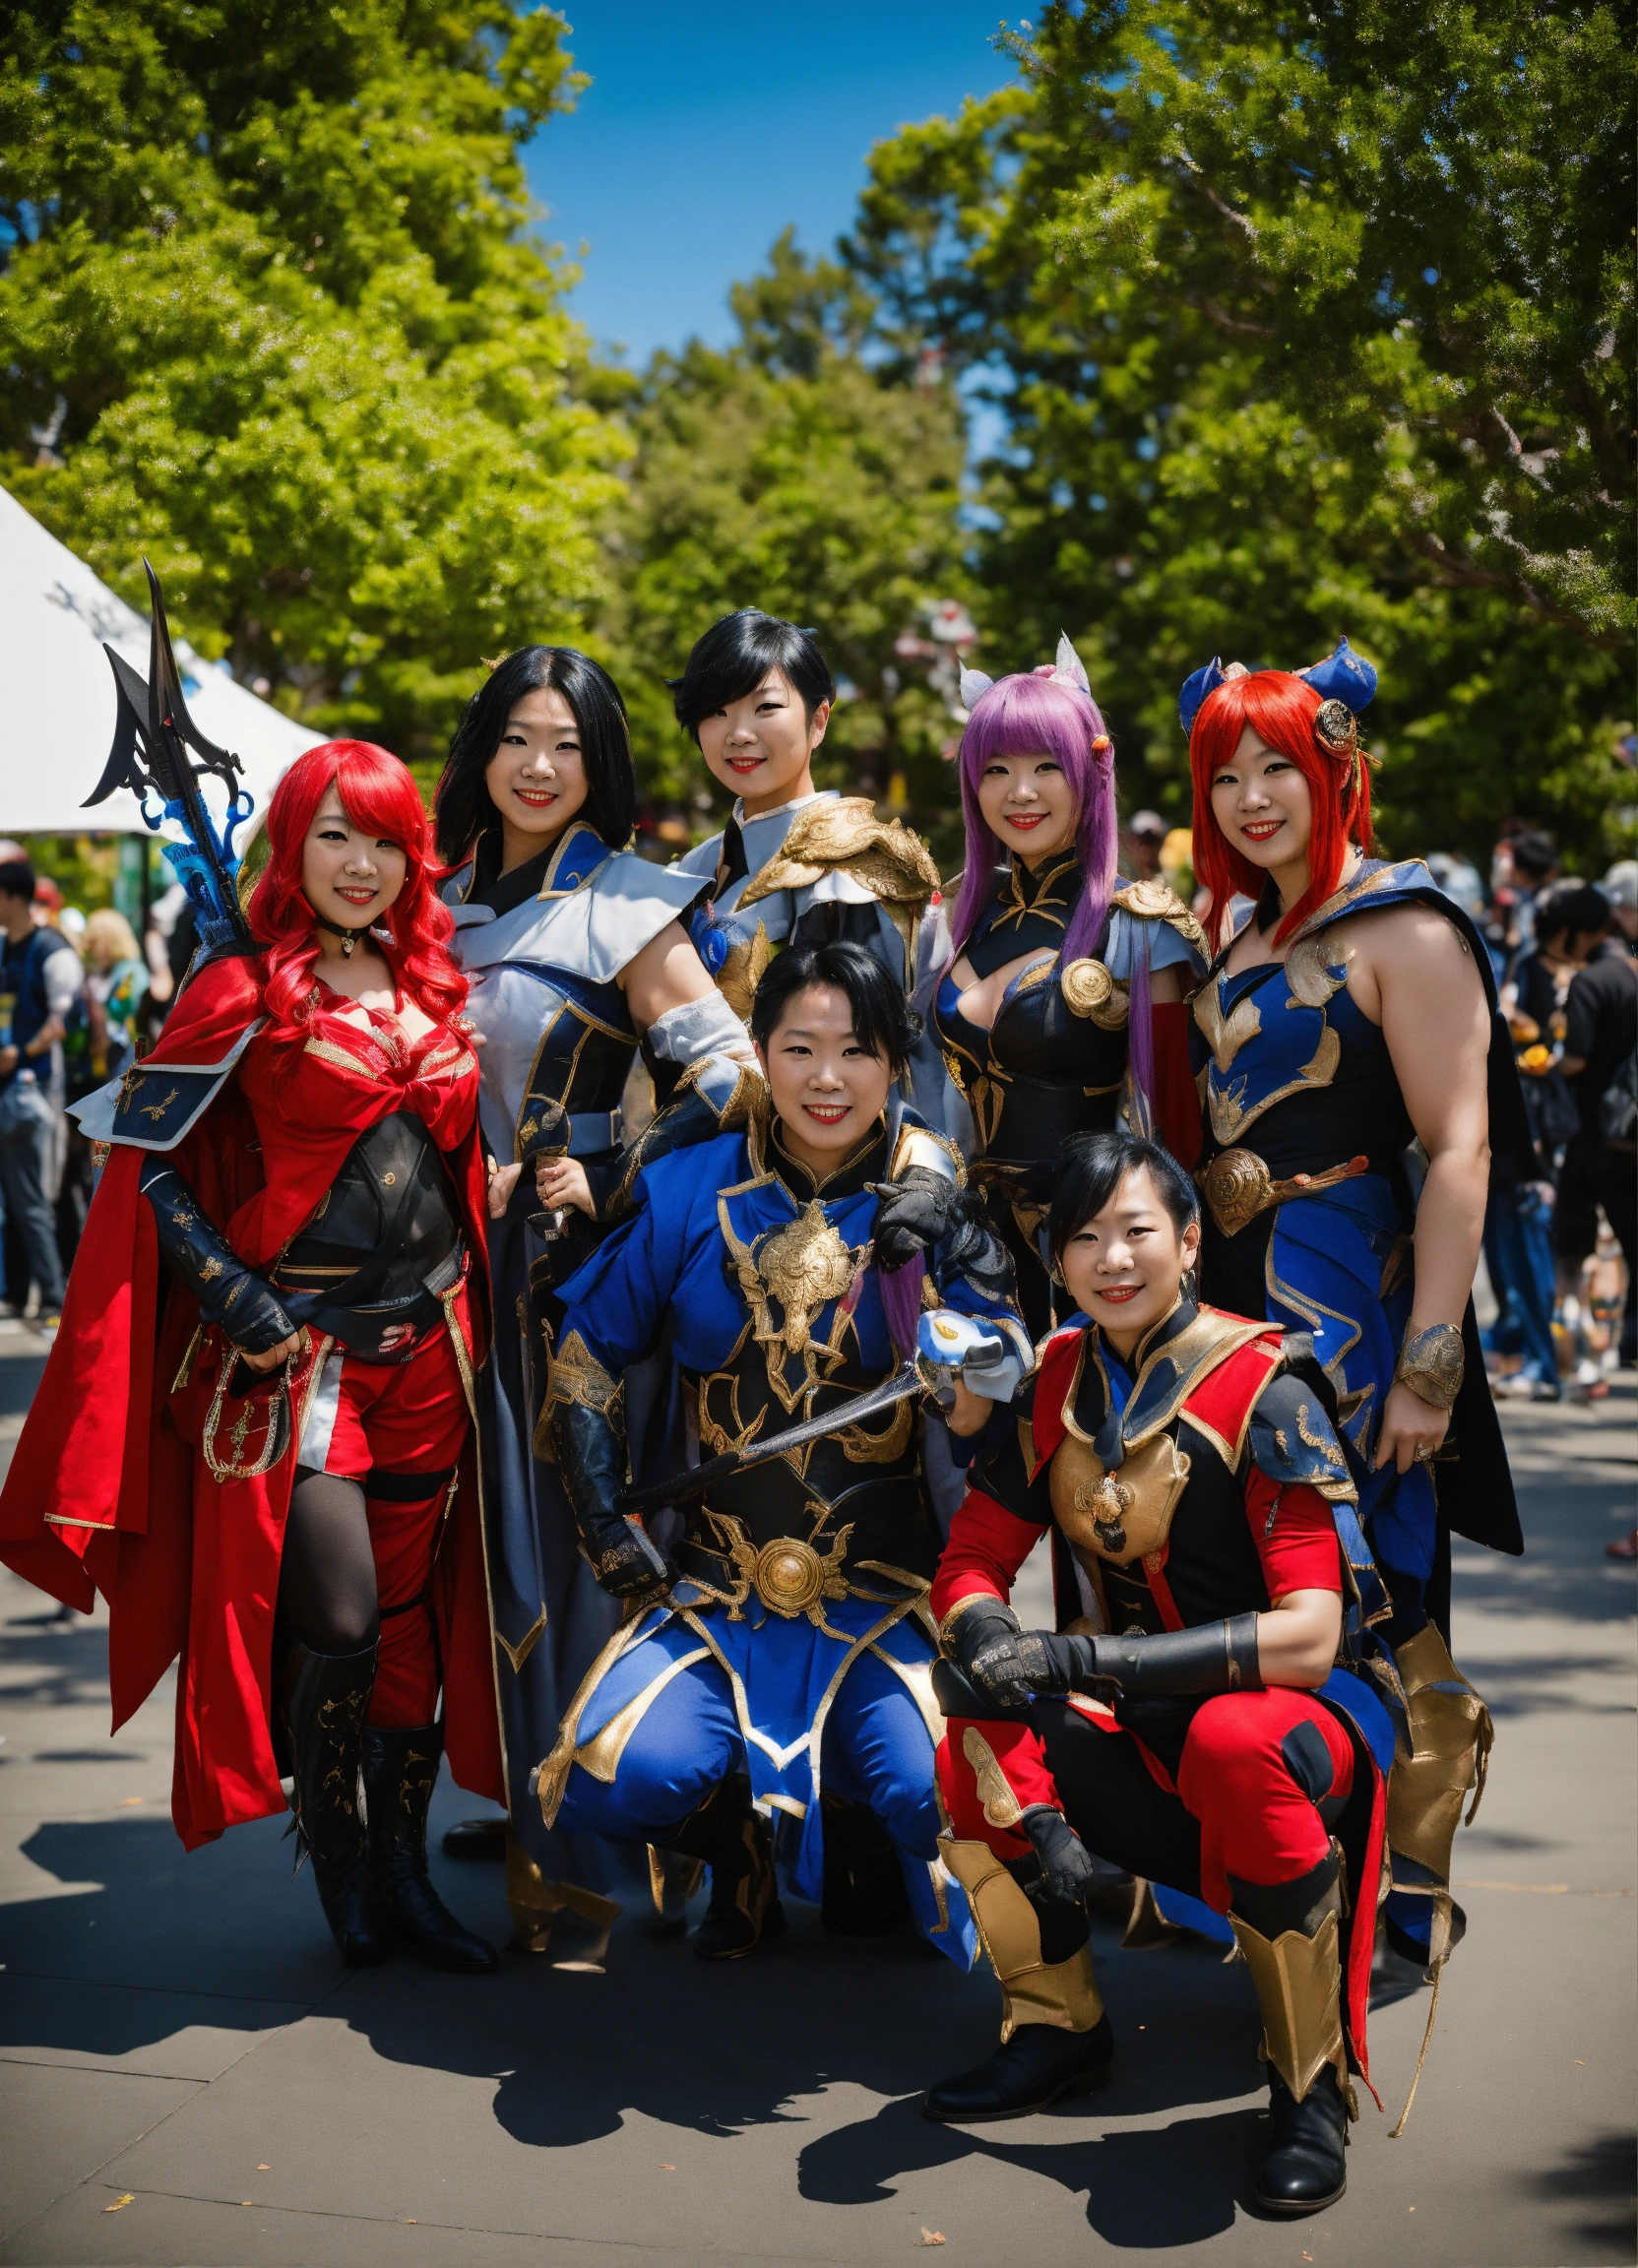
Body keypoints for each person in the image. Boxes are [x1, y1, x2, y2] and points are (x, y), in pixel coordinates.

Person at [0, 742, 505, 1974]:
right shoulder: (239, 986)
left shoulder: (430, 979)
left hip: (434, 1343)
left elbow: (455, 1164)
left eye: (385, 840)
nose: (361, 862)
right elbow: (148, 1167)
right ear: (293, 843)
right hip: (304, 1356)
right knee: (334, 1615)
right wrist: (236, 1298)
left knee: (411, 1624)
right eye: (336, 834)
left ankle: (402, 1865)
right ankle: (335, 1854)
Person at [923, 1133, 1402, 2216]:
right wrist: (992, 1636)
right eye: (1083, 1237)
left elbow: (1311, 1637)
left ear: (1187, 1241)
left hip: (1292, 1732)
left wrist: (1077, 1657)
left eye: (1137, 1230)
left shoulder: (1264, 1387)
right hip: (1139, 1727)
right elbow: (969, 1562)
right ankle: (1054, 2027)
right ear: (1055, 1259)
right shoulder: (1054, 1378)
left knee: (1235, 1739)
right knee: (971, 1712)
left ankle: (1308, 2085)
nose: (1112, 1258)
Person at [536, 942, 1034, 1963]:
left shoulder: (931, 1197)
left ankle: (854, 1818)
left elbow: (997, 1399)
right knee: (614, 1776)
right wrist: (599, 1517)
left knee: (941, 1796)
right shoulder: (688, 1187)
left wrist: (970, 1264)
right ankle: (738, 1848)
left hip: (883, 1592)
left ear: (893, 1063)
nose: (825, 1077)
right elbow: (585, 1361)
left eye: (855, 1050)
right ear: (758, 1053)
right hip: (718, 1596)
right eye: (797, 1047)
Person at [1180, 643, 1517, 1979]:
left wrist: (1430, 1363)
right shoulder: (1234, 929)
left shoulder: (1409, 926)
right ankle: (1288, 1857)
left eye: (1281, 768)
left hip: (1364, 1304)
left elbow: (1462, 1149)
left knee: (1393, 1585)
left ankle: (1420, 1873)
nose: (1253, 797)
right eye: (1226, 774)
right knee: (1263, 1580)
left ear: (1339, 775)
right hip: (1235, 1301)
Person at [433, 645, 764, 1939]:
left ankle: (617, 1820)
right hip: (438, 1279)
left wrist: (606, 1175)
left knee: (581, 1546)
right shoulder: (432, 901)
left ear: (600, 765)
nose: (540, 766)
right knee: (477, 1542)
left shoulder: (629, 903)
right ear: (484, 751)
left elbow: (734, 1081)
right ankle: (524, 1792)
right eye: (519, 738)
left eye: (568, 746)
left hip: (572, 1284)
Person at [931, 640, 1207, 1340]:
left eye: (1046, 766)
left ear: (1092, 771)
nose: (1020, 792)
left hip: (1098, 1265)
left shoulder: (1139, 927)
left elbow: (1176, 1124)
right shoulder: (963, 916)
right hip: (968, 1255)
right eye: (996, 770)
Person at [668, 610, 954, 1130]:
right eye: (716, 711)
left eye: (766, 708)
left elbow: (895, 1055)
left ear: (819, 720)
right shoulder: (692, 868)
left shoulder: (853, 867)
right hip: (699, 1159)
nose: (738, 733)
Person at [1484, 885, 1587, 1402]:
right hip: (1528, 1137)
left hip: (1538, 1143)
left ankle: (1545, 1365)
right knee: (1515, 1263)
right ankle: (1535, 1360)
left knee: (1528, 1258)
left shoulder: (1555, 972)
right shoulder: (1528, 969)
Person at [0, 858, 85, 1326]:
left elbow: (62, 1020)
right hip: (11, 1088)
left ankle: (52, 1297)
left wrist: (19, 1052)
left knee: (33, 1197)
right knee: (15, 1198)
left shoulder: (51, 950)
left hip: (34, 1090)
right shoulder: (6, 949)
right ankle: (15, 1293)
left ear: (12, 896)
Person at [1558, 889, 1637, 1367]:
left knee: (1574, 1250)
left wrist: (1541, 1064)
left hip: (1594, 1135)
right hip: (1631, 1131)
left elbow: (1576, 1061)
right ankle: (1627, 1344)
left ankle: (1574, 1353)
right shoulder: (1631, 973)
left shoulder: (1592, 981)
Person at [1123, 808, 1166, 882]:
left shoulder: (1169, 883)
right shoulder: (1120, 879)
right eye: (1141, 838)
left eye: (1150, 839)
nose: (1146, 846)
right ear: (1130, 840)